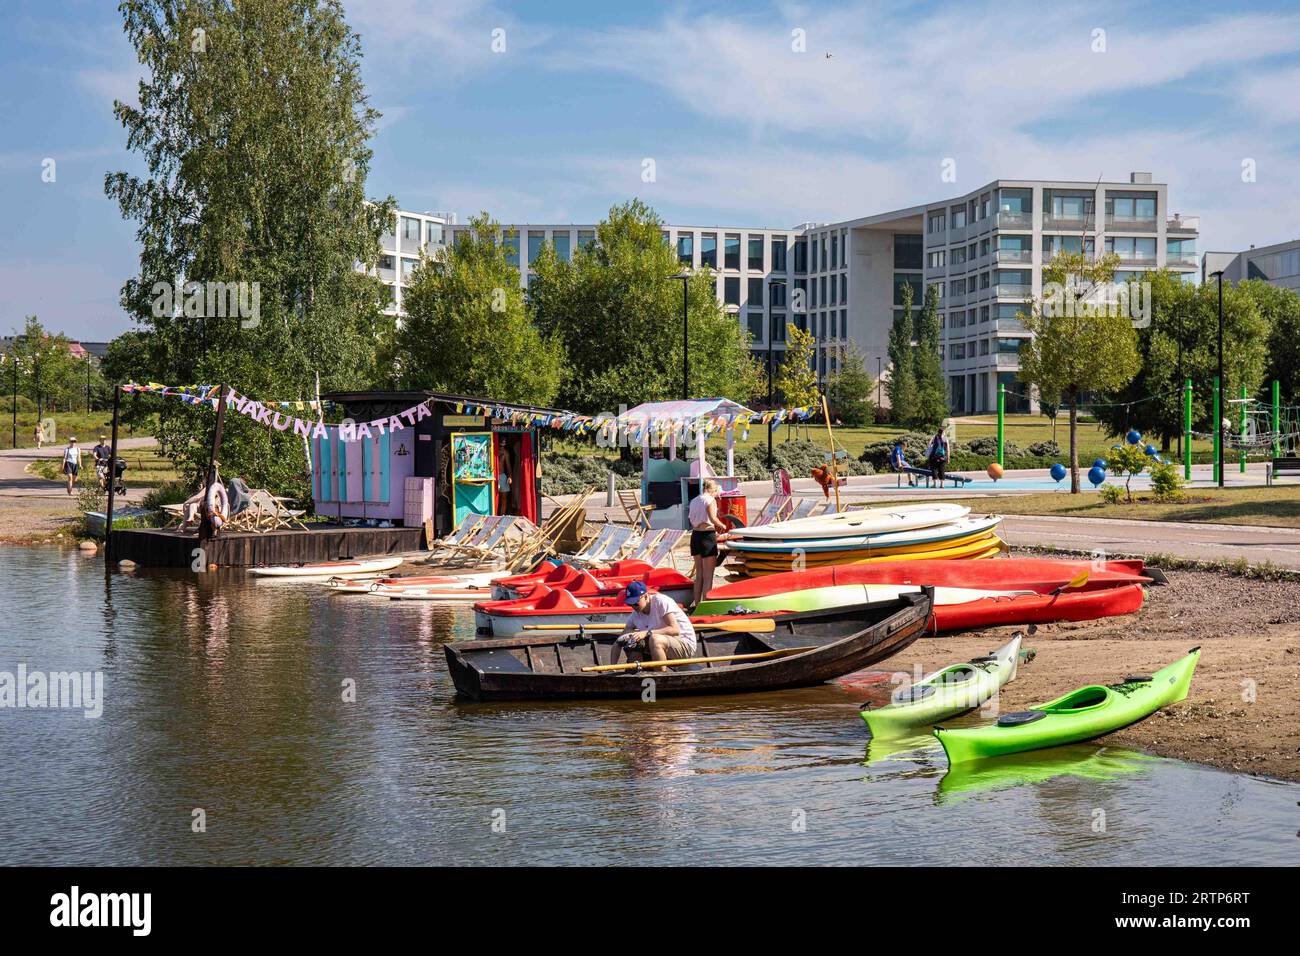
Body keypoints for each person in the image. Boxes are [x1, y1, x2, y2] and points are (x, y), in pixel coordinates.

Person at [609, 580, 697, 668]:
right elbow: (618, 642)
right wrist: (612, 668)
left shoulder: (660, 601)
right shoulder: (635, 614)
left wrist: (646, 633)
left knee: (655, 639)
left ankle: (660, 676)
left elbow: (675, 630)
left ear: (646, 596)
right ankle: (637, 673)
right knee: (631, 642)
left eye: (635, 602)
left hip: (685, 644)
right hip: (663, 644)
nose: (633, 606)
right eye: (630, 603)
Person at [687, 478, 729, 608]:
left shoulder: (694, 500)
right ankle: (706, 606)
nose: (717, 495)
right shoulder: (710, 500)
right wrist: (722, 525)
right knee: (708, 575)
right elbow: (712, 518)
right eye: (717, 492)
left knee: (699, 574)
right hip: (707, 536)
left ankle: (697, 604)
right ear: (713, 490)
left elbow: (691, 519)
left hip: (695, 536)